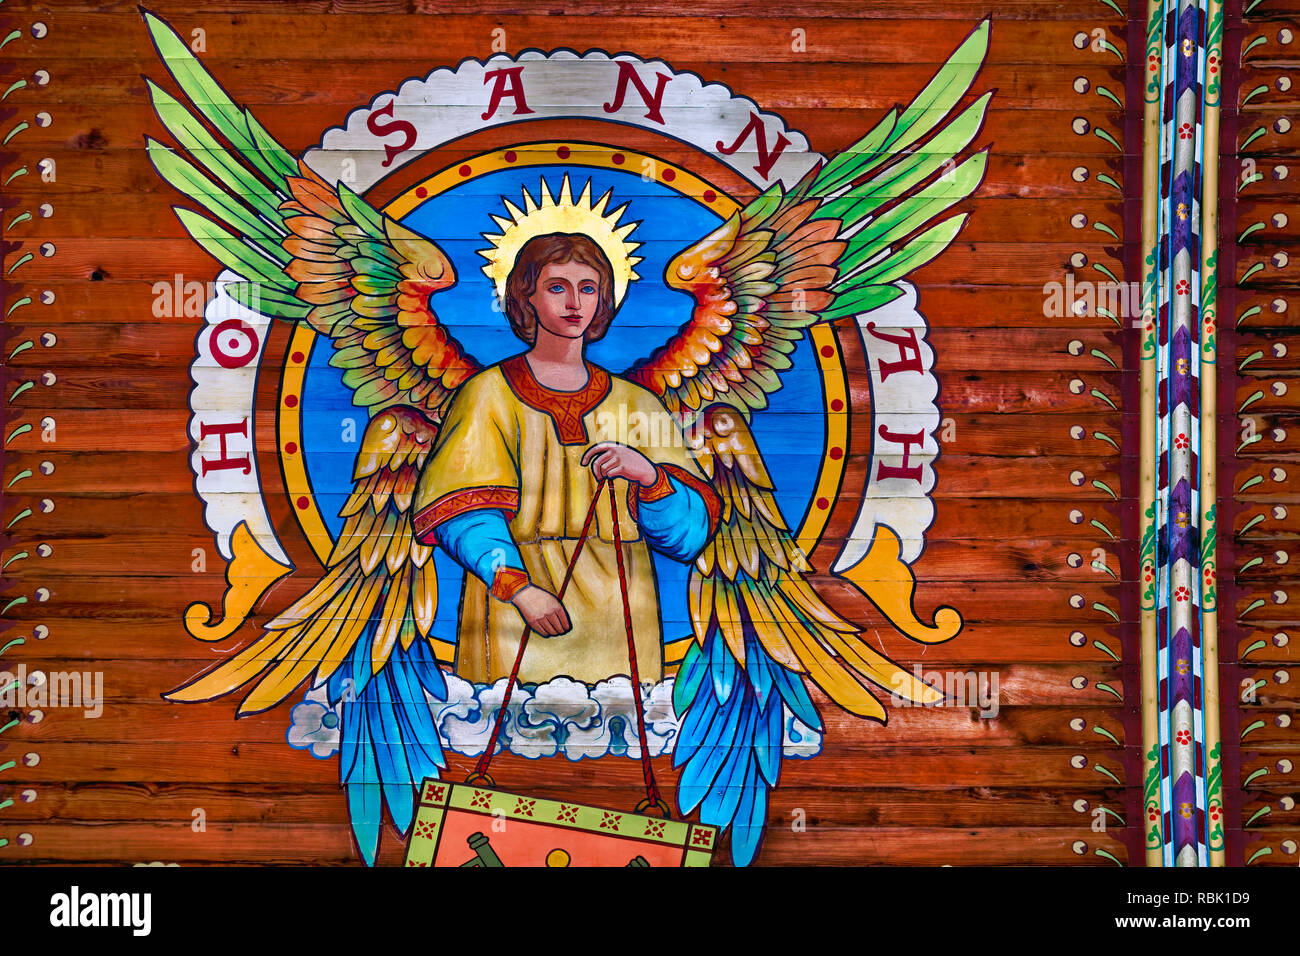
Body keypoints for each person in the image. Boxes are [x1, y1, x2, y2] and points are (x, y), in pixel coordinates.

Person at [412, 232, 720, 685]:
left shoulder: (636, 405)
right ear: (525, 297)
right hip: (519, 607)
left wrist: (652, 479)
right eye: (557, 287)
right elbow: (464, 511)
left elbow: (688, 537)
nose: (575, 302)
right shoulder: (488, 396)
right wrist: (519, 590)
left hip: (622, 607)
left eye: (589, 288)